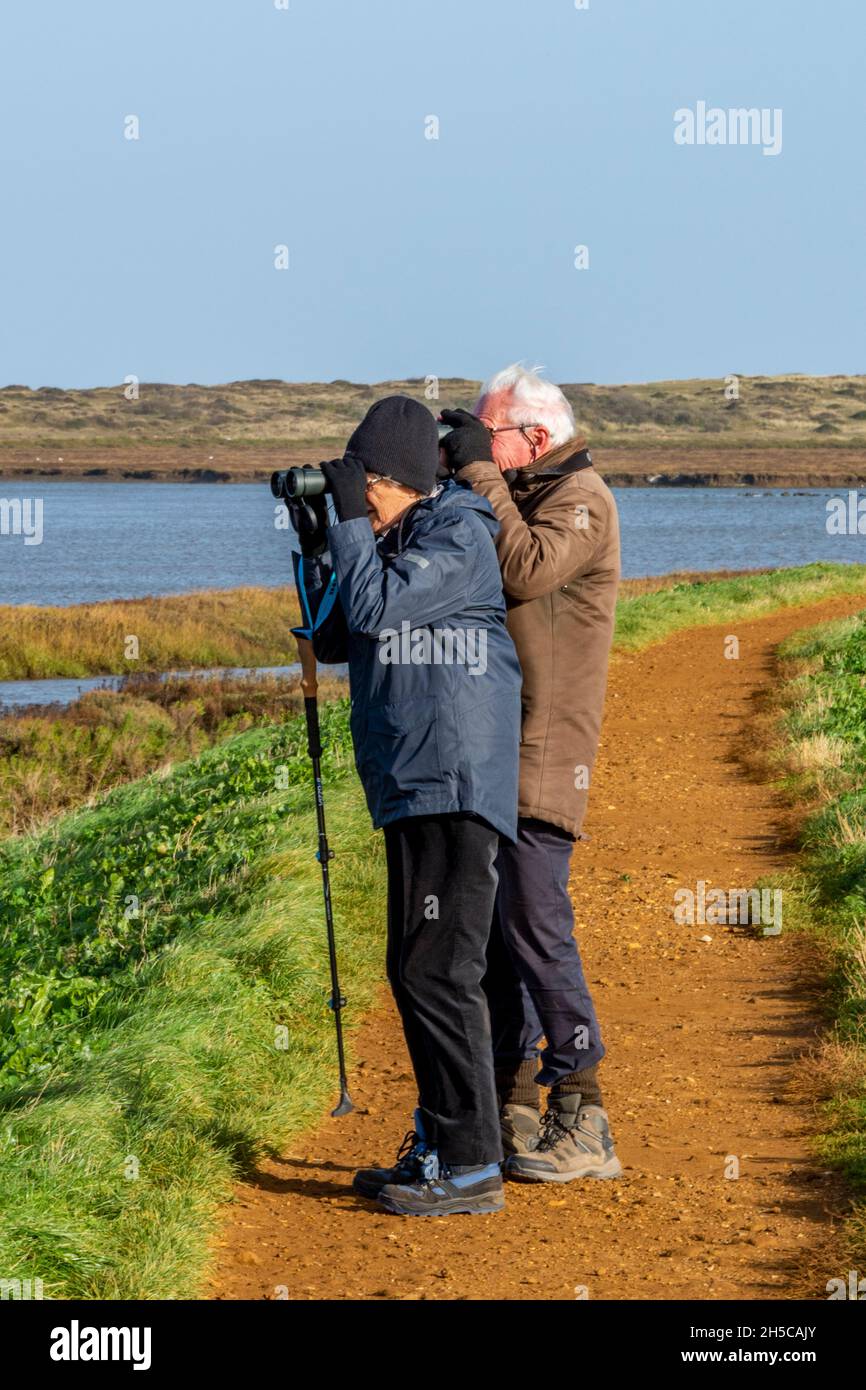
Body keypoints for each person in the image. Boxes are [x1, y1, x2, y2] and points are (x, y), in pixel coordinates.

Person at [291, 394, 522, 1215]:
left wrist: (351, 527)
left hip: (452, 784)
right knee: (417, 968)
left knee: (439, 971)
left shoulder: (459, 533)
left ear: (402, 482)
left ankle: (469, 1167)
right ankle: (441, 1144)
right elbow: (331, 633)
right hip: (417, 784)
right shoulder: (401, 535)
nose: (363, 504)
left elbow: (379, 611)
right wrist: (320, 538)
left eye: (367, 490)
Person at [438, 364, 623, 1182]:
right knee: (498, 936)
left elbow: (524, 569)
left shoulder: (582, 499)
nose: (480, 447)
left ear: (536, 440)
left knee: (538, 927)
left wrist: (478, 471)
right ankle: (511, 1105)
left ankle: (585, 1115)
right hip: (501, 750)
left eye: (493, 433)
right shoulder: (538, 490)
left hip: (546, 756)